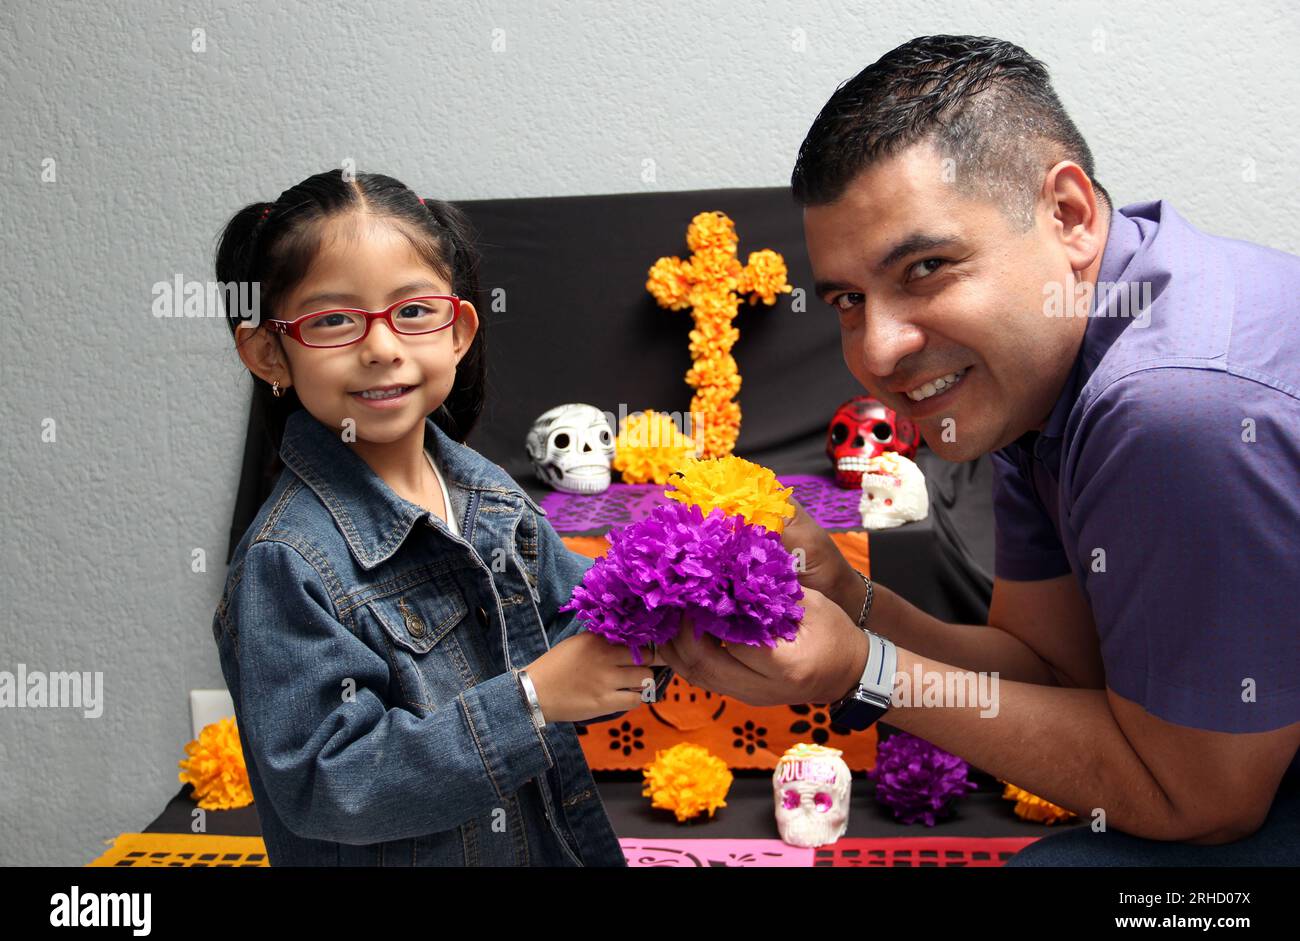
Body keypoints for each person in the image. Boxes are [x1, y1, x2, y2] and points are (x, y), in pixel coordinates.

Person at [660, 35, 1300, 865]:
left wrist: (865, 672)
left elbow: (1203, 802)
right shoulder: (1039, 364)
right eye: (849, 299)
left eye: (926, 267)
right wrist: (854, 599)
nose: (879, 350)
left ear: (1066, 215)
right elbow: (1051, 668)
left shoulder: (1177, 410)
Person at [212, 169, 667, 865]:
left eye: (414, 311)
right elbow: (331, 786)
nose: (383, 347)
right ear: (270, 353)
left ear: (458, 332)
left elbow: (576, 621)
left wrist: (676, 607)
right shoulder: (287, 562)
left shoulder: (493, 498)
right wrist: (532, 702)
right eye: (333, 320)